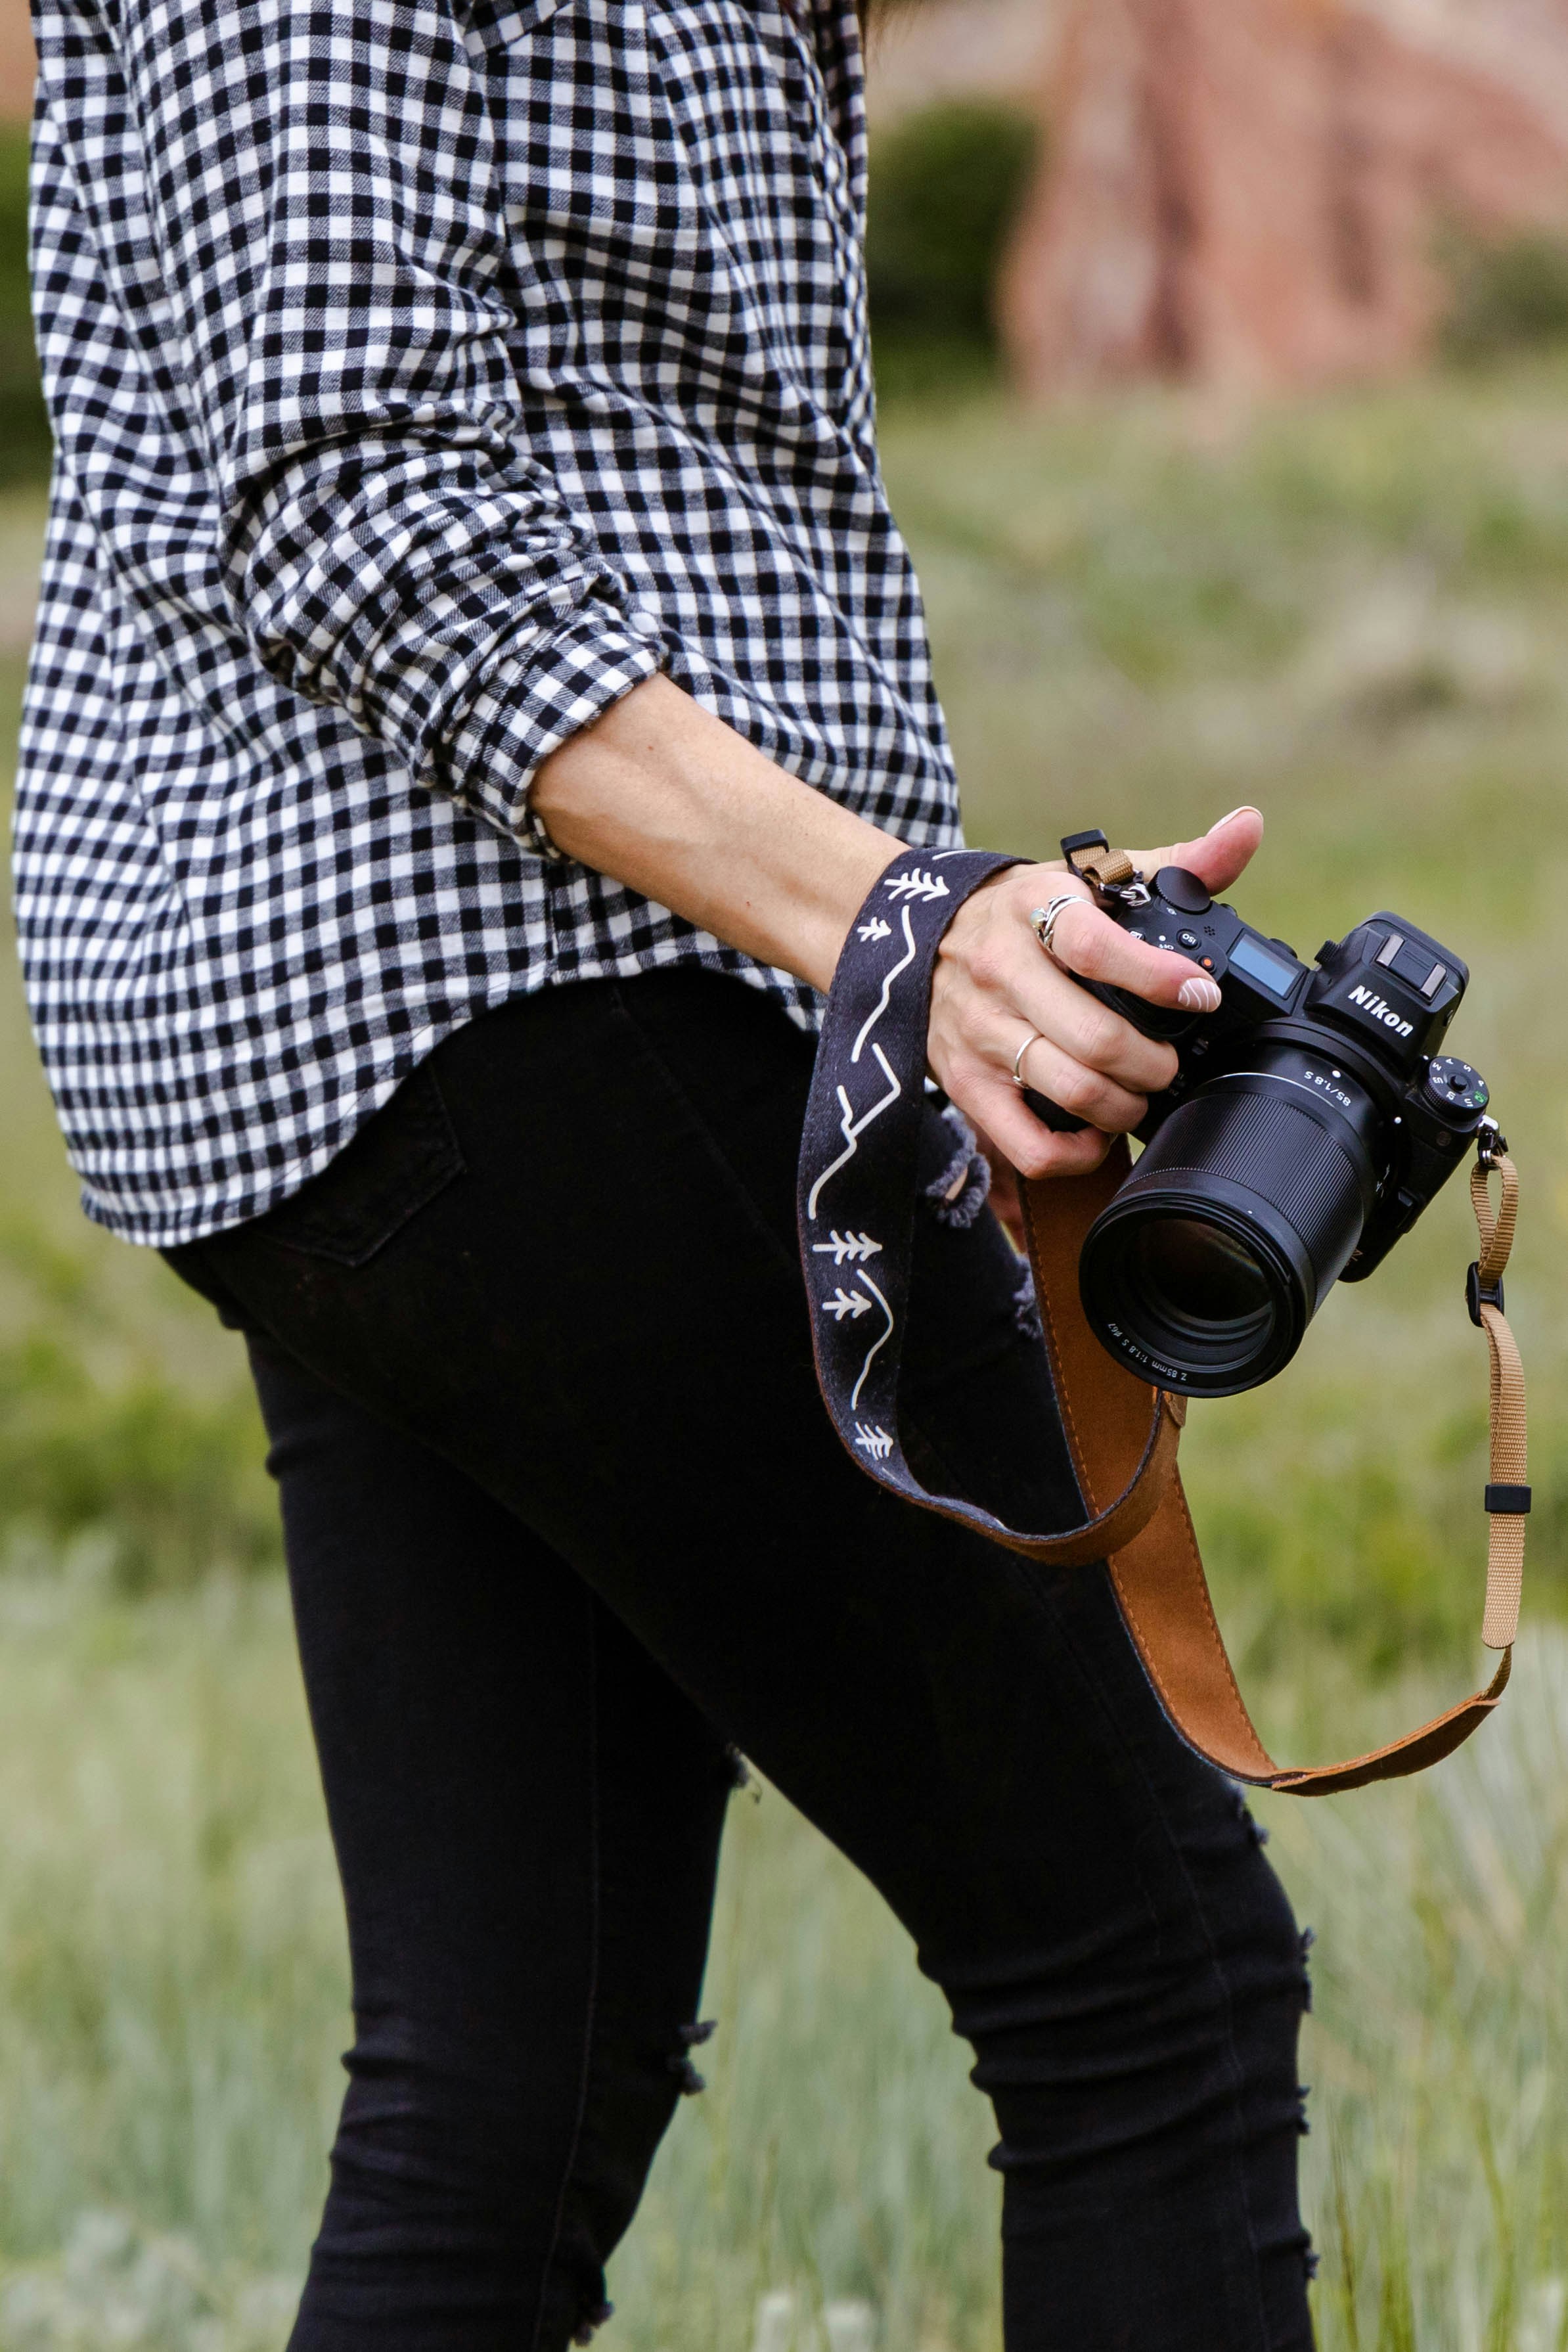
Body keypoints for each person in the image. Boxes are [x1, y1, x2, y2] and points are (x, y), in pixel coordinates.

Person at [12, 0, 1314, 2343]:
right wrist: (908, 929)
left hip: (385, 1056)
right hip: (514, 983)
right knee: (1149, 1974)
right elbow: (350, 494)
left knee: (509, 2078)